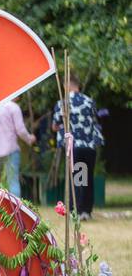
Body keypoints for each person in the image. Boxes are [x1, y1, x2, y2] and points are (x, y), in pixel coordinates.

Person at [52, 73, 104, 220]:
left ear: (66, 85)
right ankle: (86, 211)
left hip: (73, 147)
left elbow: (55, 125)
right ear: (78, 85)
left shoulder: (62, 103)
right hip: (89, 147)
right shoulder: (89, 101)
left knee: (75, 178)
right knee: (86, 178)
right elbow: (95, 122)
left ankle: (75, 210)